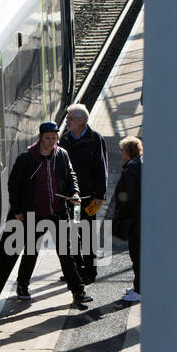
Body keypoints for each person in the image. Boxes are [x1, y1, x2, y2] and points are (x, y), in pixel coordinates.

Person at [7, 120, 92, 308]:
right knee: (31, 251)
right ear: (40, 137)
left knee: (66, 253)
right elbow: (14, 186)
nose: (51, 141)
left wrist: (75, 193)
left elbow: (71, 176)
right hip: (34, 213)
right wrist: (18, 211)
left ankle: (78, 291)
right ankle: (22, 284)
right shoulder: (26, 159)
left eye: (54, 138)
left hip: (59, 211)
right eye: (48, 138)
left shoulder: (62, 155)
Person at [60, 103, 109, 285]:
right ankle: (75, 269)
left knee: (87, 236)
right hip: (70, 198)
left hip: (88, 198)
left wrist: (99, 196)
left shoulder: (95, 139)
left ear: (81, 121)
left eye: (70, 118)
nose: (67, 121)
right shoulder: (65, 140)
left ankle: (90, 271)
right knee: (72, 234)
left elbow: (101, 168)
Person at [113, 135, 142, 304]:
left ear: (128, 151)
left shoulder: (130, 169)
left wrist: (121, 217)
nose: (120, 152)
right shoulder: (140, 165)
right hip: (141, 218)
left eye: (121, 150)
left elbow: (128, 198)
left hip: (135, 221)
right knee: (139, 255)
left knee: (137, 255)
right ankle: (138, 286)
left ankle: (139, 290)